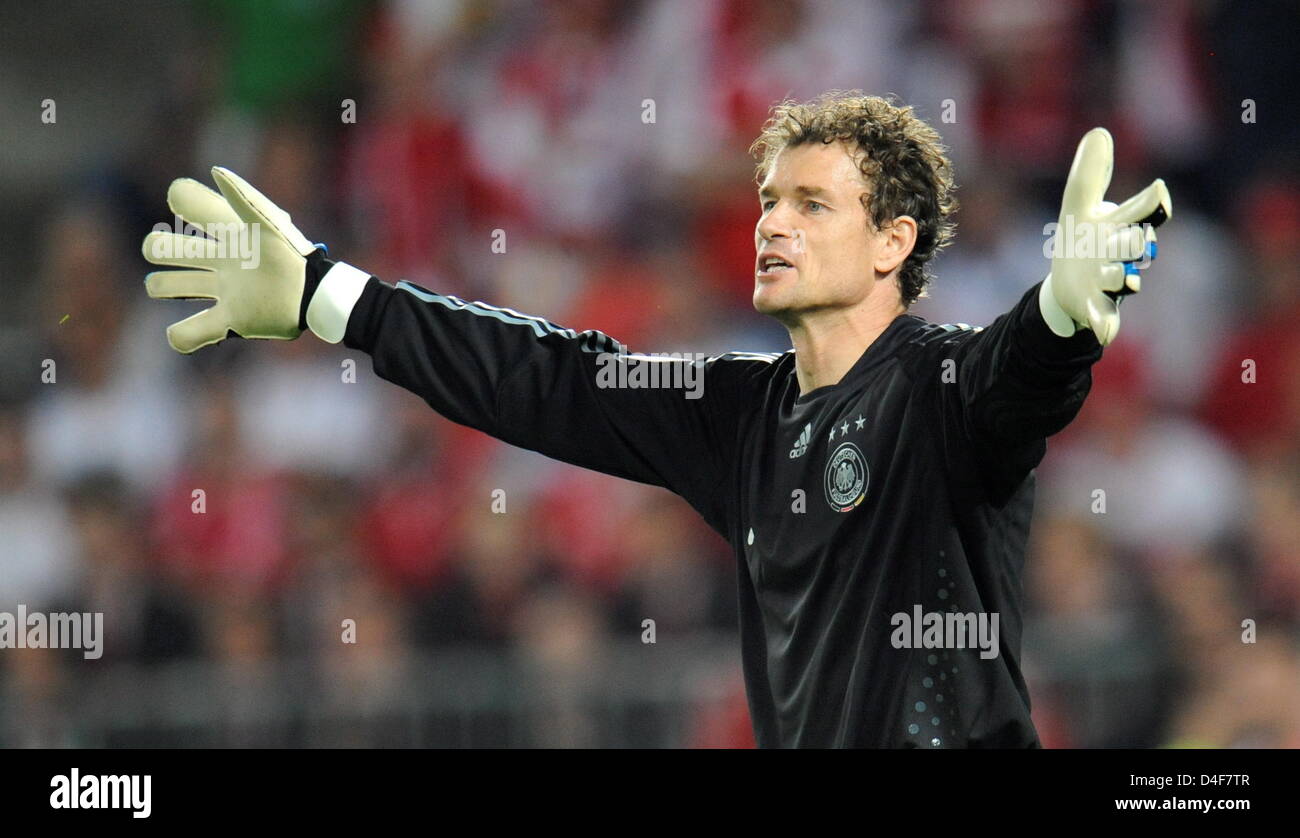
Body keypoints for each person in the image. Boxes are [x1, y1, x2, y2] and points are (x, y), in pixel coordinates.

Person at [142, 91, 1170, 748]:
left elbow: (1018, 380)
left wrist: (1063, 313)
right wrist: (336, 295)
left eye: (813, 203)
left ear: (892, 241)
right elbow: (553, 380)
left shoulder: (942, 389)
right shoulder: (738, 414)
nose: (771, 220)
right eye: (770, 198)